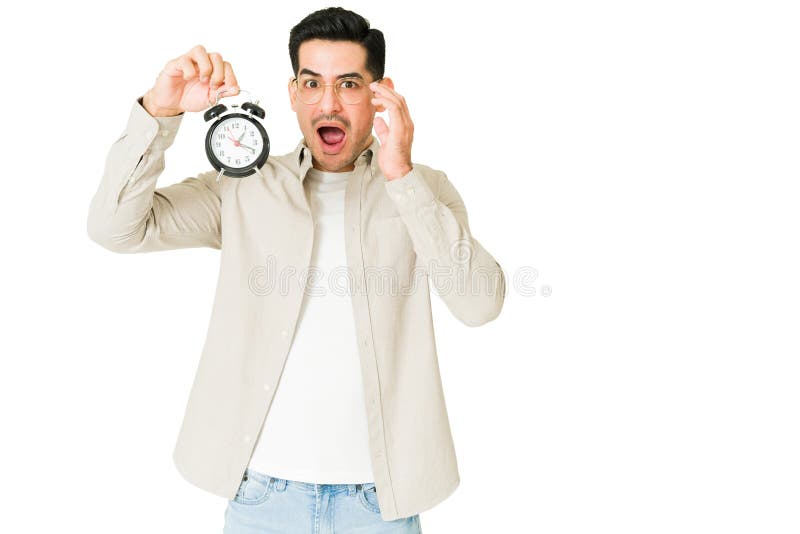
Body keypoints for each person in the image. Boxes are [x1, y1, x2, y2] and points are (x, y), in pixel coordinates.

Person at [87, 6, 505, 533]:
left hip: (380, 506)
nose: (327, 103)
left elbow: (480, 305)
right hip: (262, 499)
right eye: (312, 83)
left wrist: (401, 175)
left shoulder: (424, 189)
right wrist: (160, 111)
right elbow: (115, 228)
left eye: (348, 83)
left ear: (380, 92)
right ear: (292, 93)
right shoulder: (244, 186)